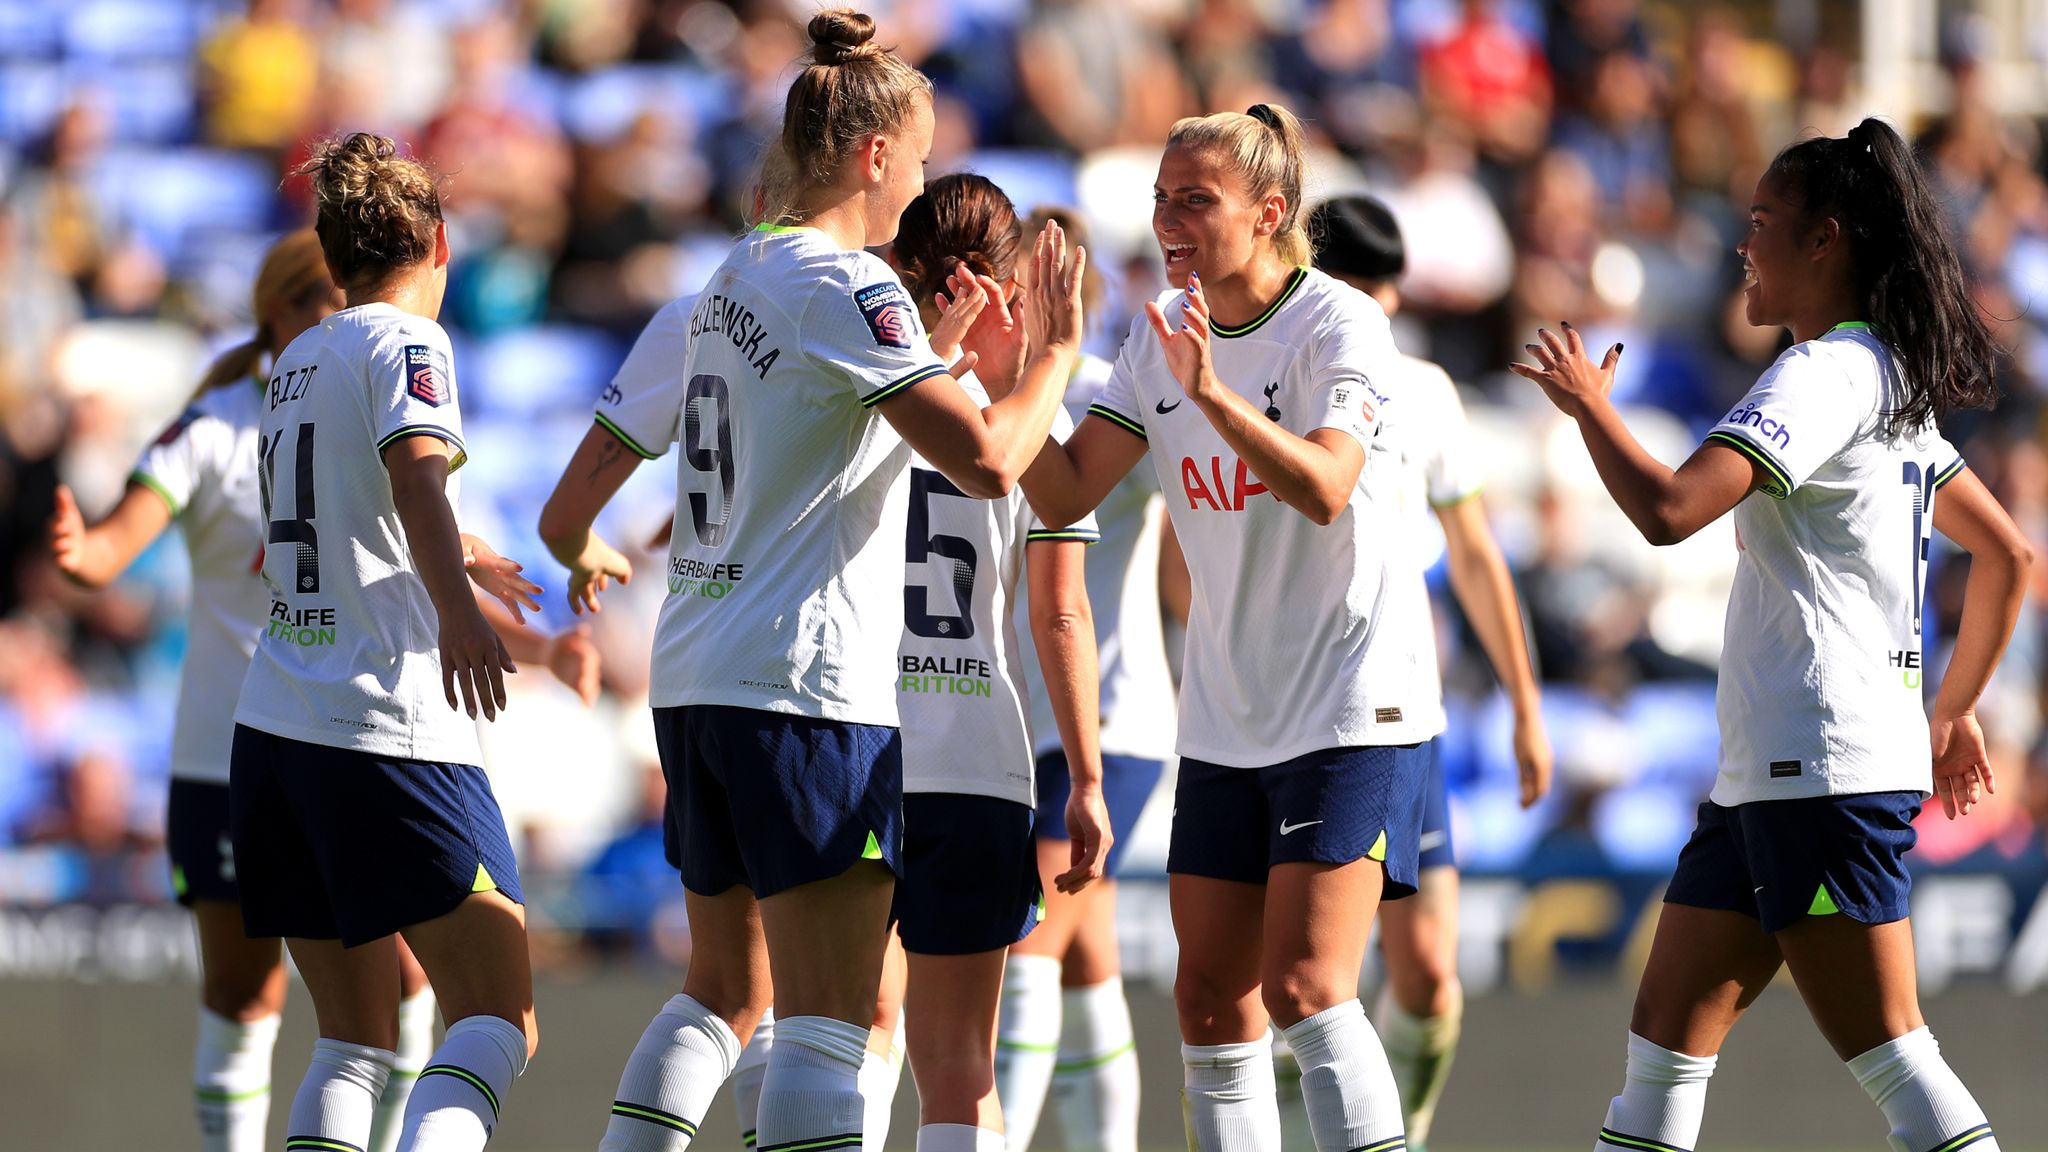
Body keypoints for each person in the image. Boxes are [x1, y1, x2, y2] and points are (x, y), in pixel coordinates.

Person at [542, 12, 1089, 1152]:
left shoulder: (728, 276)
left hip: (696, 682)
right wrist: (1056, 359)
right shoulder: (849, 288)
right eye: (924, 154)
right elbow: (989, 461)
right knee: (834, 1024)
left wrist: (582, 543)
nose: (926, 177)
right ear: (875, 155)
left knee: (719, 991)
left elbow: (597, 499)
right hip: (805, 691)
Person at [1510, 117, 2025, 1152]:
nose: (1741, 245)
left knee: (1888, 1050)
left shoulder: (1820, 378)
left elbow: (1667, 511)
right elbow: (2011, 556)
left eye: (1760, 223)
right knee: (1662, 1039)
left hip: (1818, 769)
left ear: (1823, 239)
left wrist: (1588, 411)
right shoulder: (1885, 380)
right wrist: (1952, 706)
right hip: (1767, 773)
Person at [1022, 102, 1426, 1152]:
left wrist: (1211, 396)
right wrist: (1014, 367)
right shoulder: (1160, 339)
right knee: (1207, 997)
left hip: (1346, 703)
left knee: (1302, 985)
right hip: (1222, 714)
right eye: (1159, 200)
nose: (1168, 222)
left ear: (1269, 212)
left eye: (1193, 200)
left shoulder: (1339, 324)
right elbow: (1064, 491)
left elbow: (1329, 487)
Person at [46, 230, 446, 1152]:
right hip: (226, 755)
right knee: (243, 993)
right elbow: (111, 550)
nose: (344, 319)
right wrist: (82, 556)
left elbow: (427, 551)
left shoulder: (377, 406)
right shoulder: (216, 427)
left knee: (407, 981)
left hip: (354, 739)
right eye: (323, 302)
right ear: (279, 312)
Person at [229, 131, 544, 1152]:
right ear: (439, 245)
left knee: (353, 1041)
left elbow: (350, 511)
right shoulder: (410, 343)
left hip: (275, 725)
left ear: (332, 257)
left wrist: (468, 557)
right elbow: (412, 475)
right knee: (498, 1019)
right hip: (385, 723)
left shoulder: (296, 362)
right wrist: (458, 609)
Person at [1287, 194, 1553, 1149]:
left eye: (1385, 294)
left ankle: (1402, 1132)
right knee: (1308, 982)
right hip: (1296, 708)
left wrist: (1525, 704)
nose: (1376, 311)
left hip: (1404, 709)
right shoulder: (1272, 378)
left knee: (1429, 974)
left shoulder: (1425, 392)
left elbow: (1476, 555)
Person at [997, 207, 1176, 1152]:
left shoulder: (1110, 395)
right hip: (1035, 728)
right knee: (1085, 956)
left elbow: (1184, 518)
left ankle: (1000, 1137)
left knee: (1029, 939)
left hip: (1115, 719)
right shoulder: (986, 398)